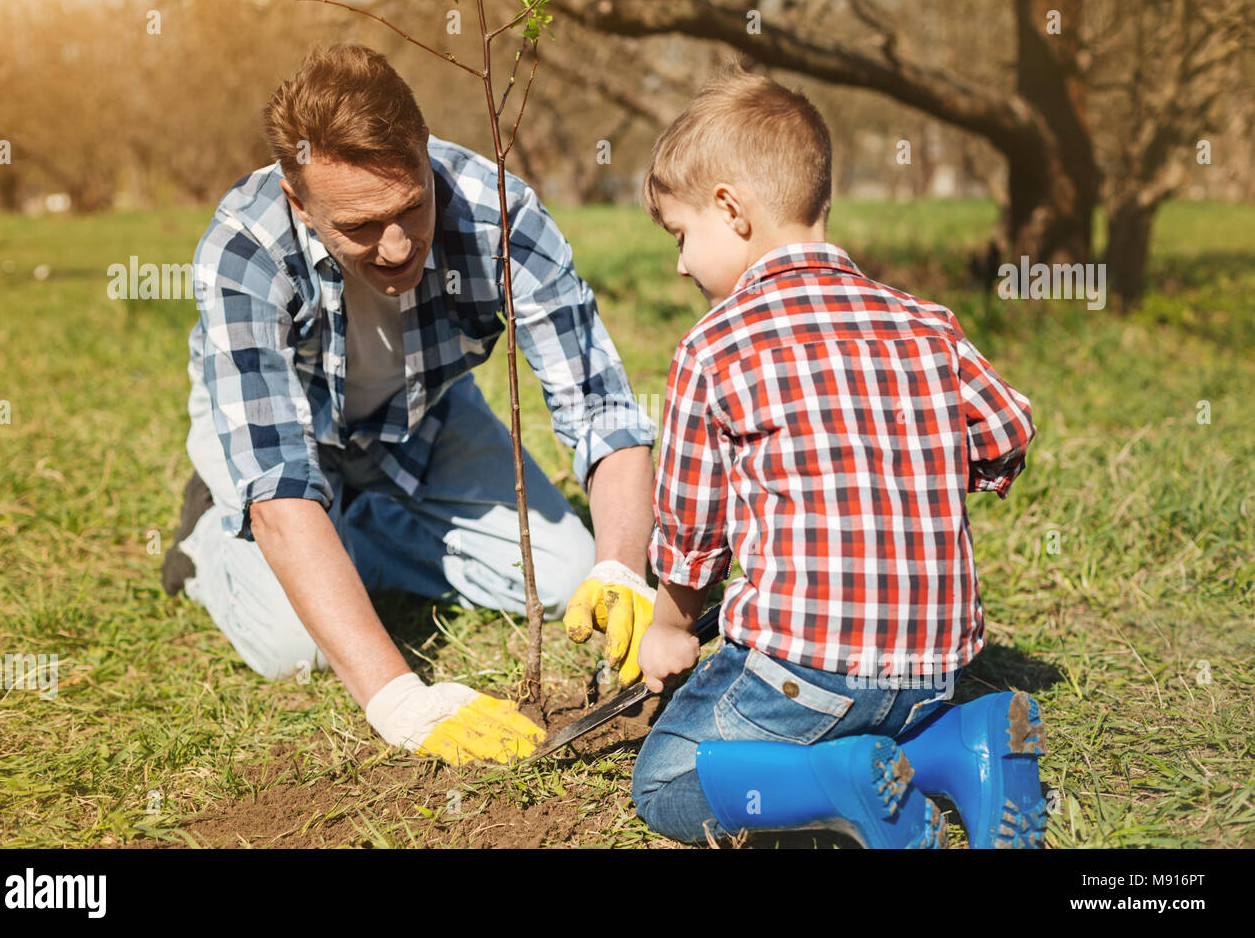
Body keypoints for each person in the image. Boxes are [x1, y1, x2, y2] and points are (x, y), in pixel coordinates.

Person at [161, 43, 661, 766]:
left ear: (424, 154)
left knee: (567, 571)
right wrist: (399, 699)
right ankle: (210, 540)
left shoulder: (499, 213)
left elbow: (601, 405)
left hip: (420, 415)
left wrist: (621, 566)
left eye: (410, 207)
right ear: (298, 201)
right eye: (359, 228)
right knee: (290, 648)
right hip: (282, 443)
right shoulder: (243, 247)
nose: (397, 248)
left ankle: (348, 539)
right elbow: (279, 488)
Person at [631, 64, 1046, 848]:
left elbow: (692, 532)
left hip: (806, 675)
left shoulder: (715, 347)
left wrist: (667, 628)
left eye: (682, 236)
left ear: (732, 210)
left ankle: (838, 785)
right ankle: (963, 745)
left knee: (666, 786)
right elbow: (1006, 438)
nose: (681, 264)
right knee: (882, 721)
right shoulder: (926, 322)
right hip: (932, 674)